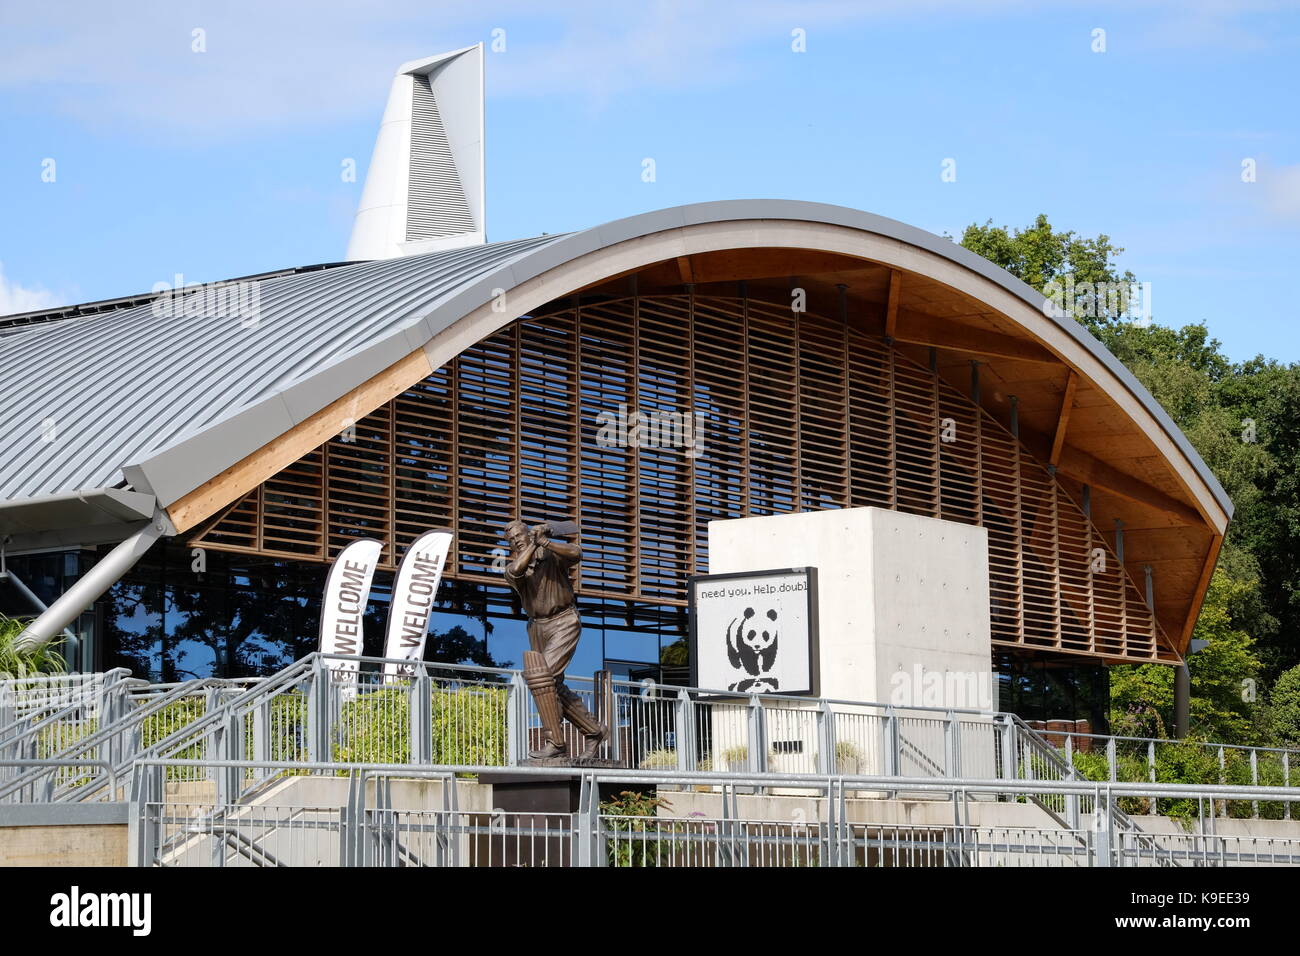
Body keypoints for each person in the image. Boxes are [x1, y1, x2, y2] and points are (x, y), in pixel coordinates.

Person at [502, 519, 608, 759]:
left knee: (541, 676)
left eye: (520, 535)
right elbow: (517, 569)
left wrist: (547, 541)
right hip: (537, 627)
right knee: (552, 686)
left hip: (563, 620)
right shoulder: (513, 568)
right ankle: (594, 730)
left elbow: (576, 553)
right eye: (512, 539)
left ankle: (555, 742)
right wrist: (534, 542)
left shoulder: (550, 554)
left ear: (527, 533)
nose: (517, 540)